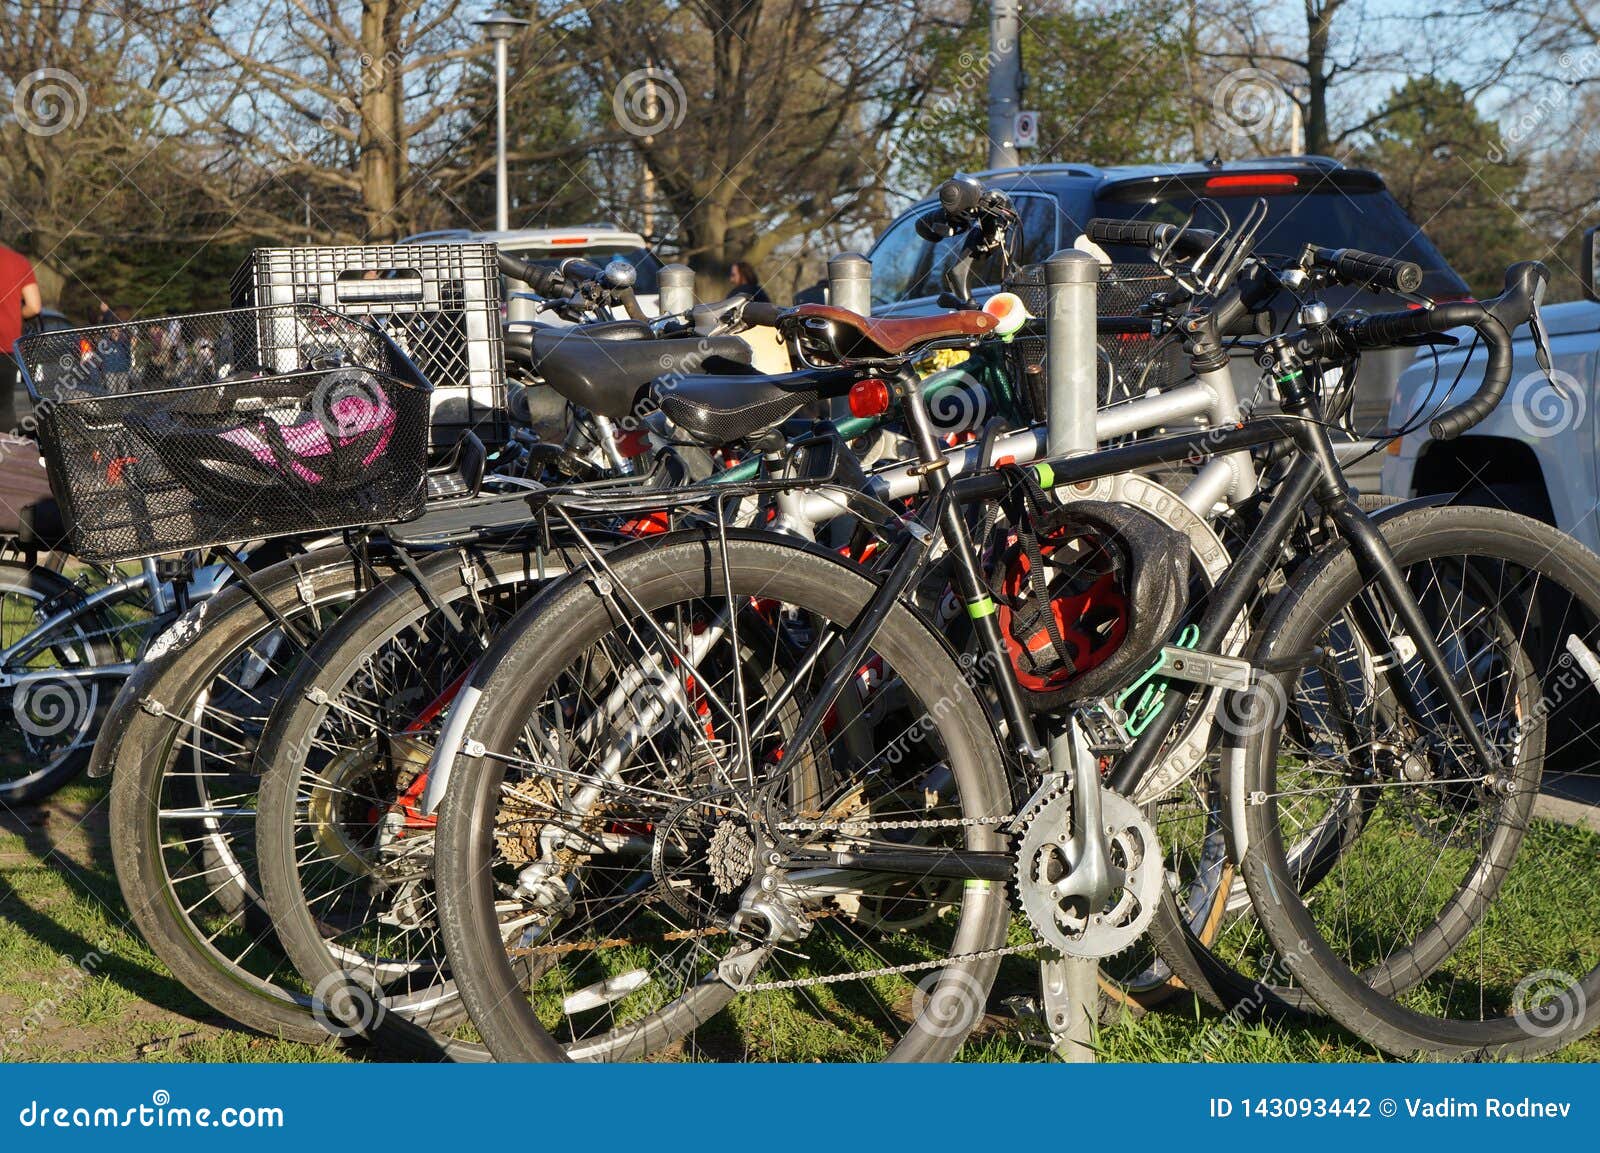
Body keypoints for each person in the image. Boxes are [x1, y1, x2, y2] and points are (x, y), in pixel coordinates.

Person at [0, 244, 42, 432]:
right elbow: (34, 306)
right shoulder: (18, 261)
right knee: (4, 406)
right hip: (6, 347)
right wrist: (15, 314)